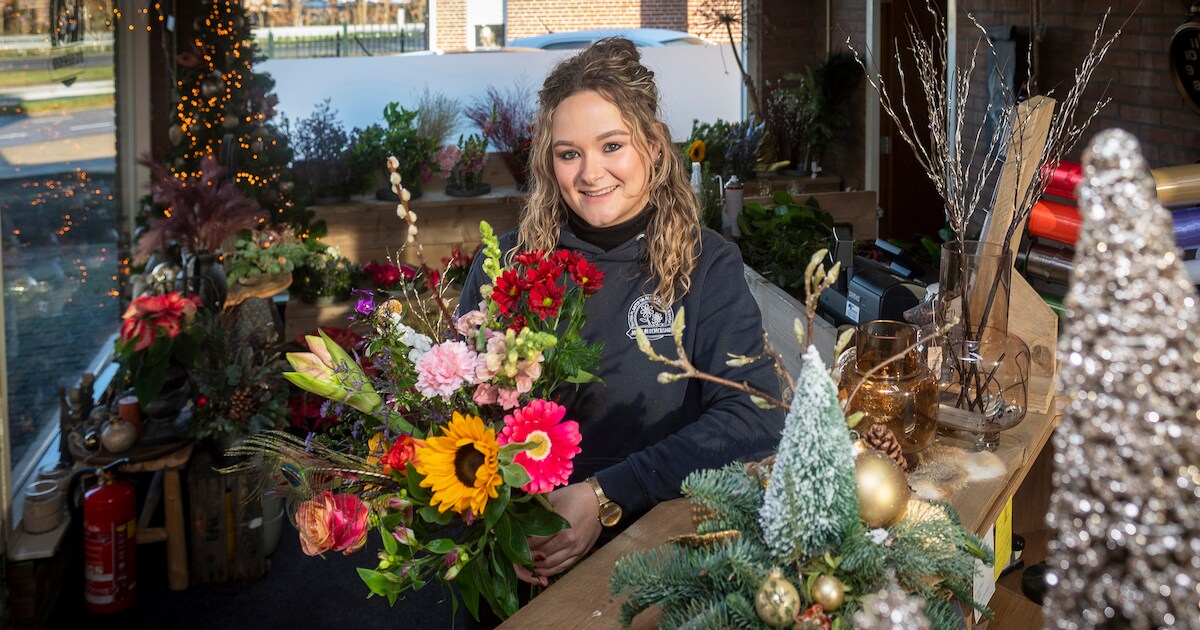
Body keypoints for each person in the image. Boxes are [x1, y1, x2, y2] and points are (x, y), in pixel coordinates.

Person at [457, 37, 784, 602]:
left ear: (653, 146)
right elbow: (458, 418)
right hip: (521, 563)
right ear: (548, 161)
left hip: (659, 558)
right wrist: (505, 520)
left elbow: (753, 415)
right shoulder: (508, 264)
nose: (591, 173)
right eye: (569, 154)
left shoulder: (705, 264)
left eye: (612, 145)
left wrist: (605, 494)